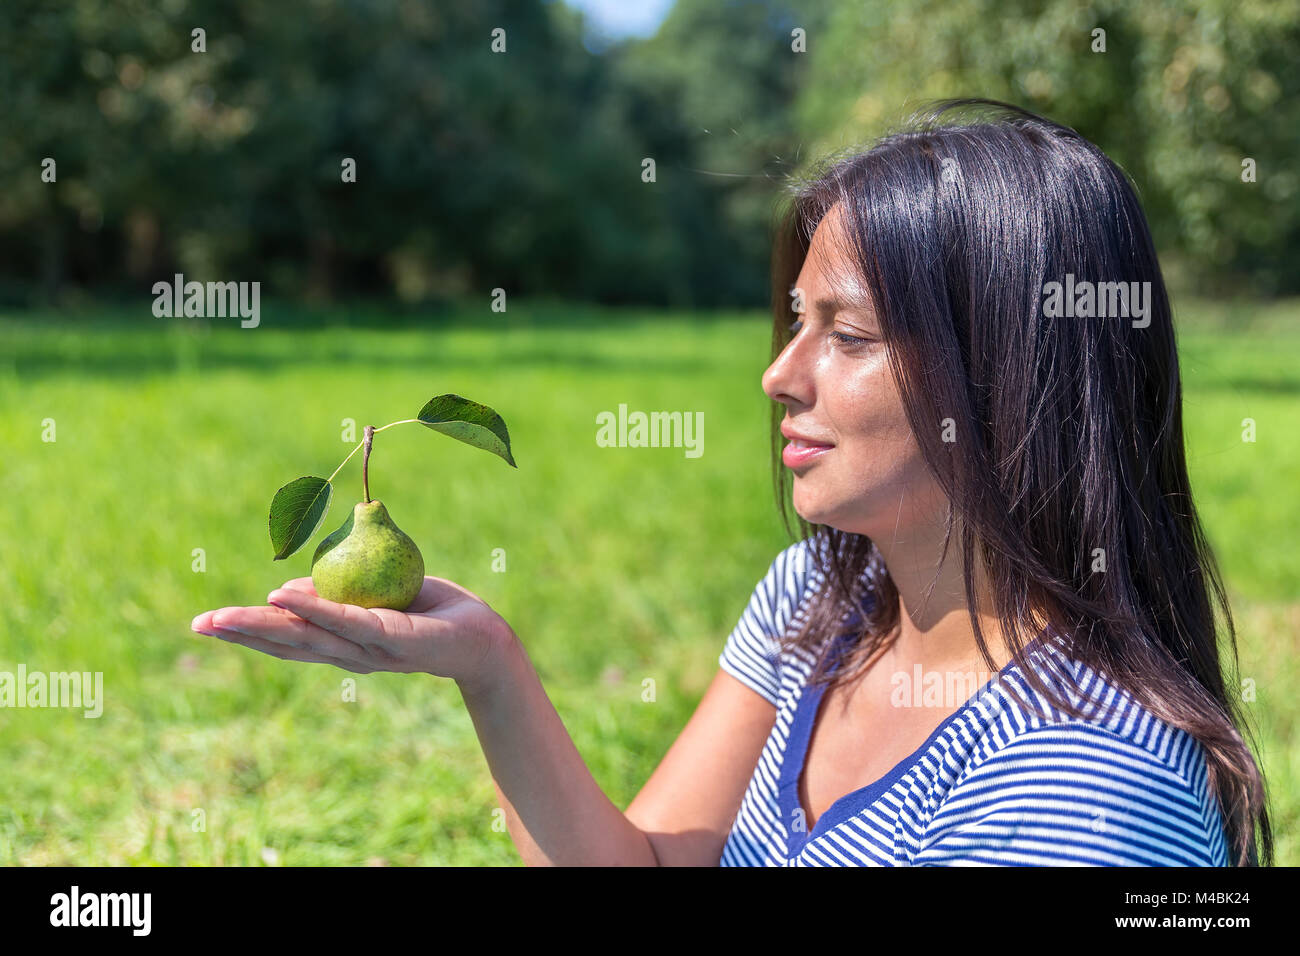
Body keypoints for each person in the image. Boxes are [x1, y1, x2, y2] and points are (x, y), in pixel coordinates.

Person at [191, 99, 1271, 867]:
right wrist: (490, 668)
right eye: (794, 322)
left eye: (845, 333)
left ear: (1003, 370)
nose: (776, 374)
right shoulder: (825, 597)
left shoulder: (1081, 788)